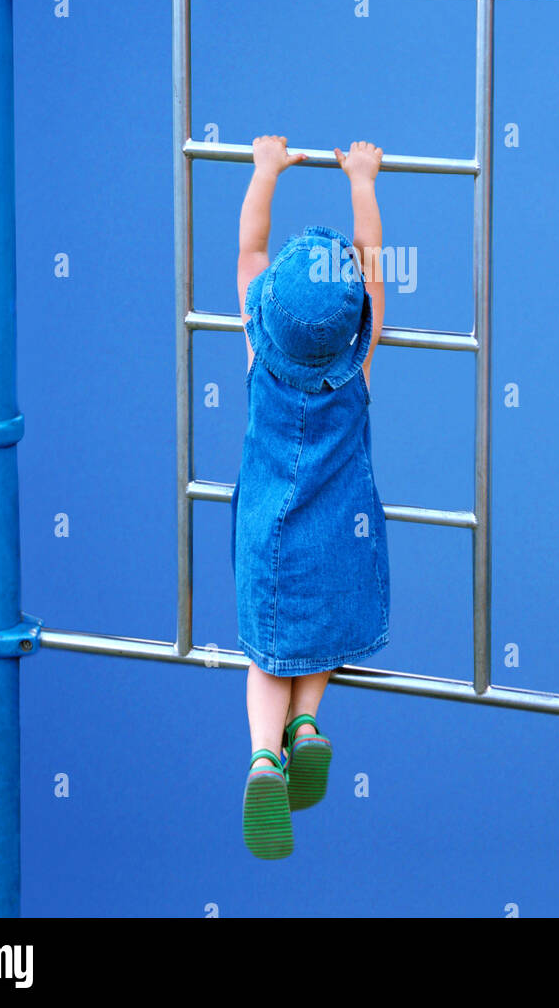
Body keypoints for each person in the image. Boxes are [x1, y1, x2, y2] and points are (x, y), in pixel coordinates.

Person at [229, 135, 389, 860]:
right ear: (352, 326)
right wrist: (363, 179)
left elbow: (249, 253)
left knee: (270, 652)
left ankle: (266, 755)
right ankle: (308, 725)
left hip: (268, 530)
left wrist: (265, 172)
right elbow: (376, 271)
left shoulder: (262, 356)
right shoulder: (356, 365)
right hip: (338, 532)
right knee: (317, 636)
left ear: (266, 317)